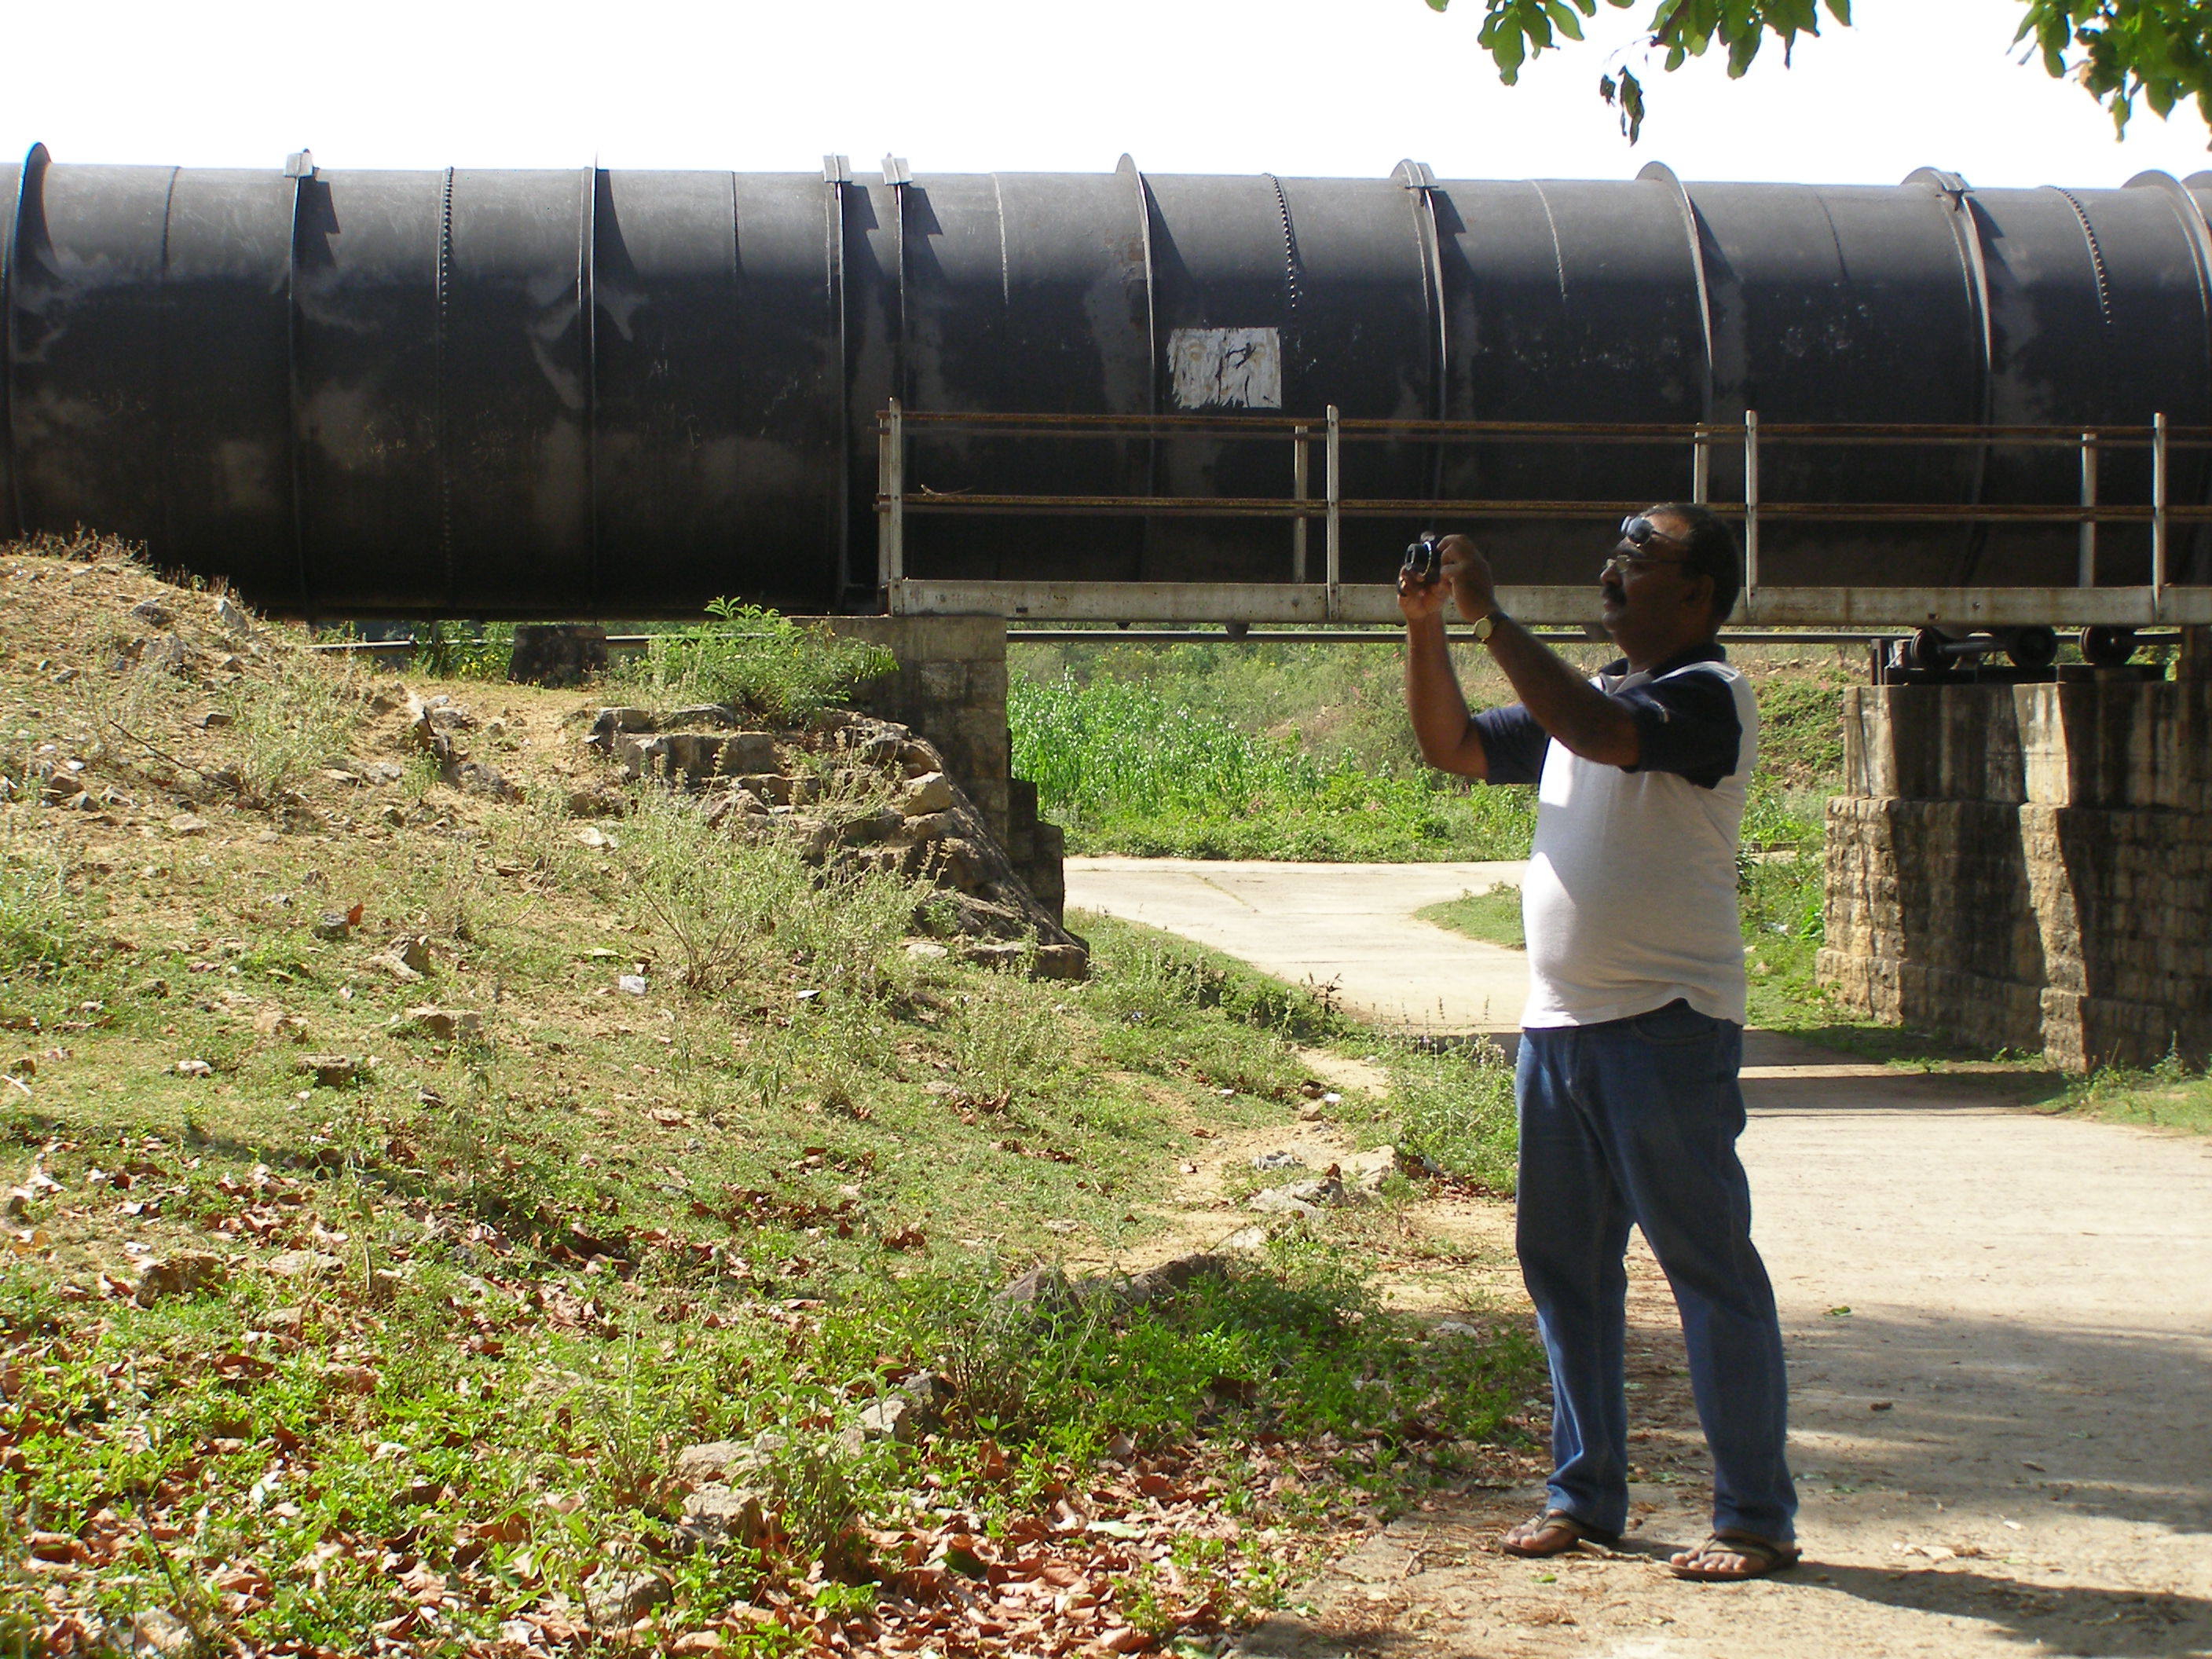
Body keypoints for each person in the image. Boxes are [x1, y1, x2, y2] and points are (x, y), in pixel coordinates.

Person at [1397, 507, 1798, 1583]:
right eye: (1617, 555)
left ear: (1700, 596)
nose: (1616, 571)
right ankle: (1587, 1496)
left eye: (1645, 560)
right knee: (1565, 1272)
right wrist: (1427, 626)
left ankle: (1755, 1515)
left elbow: (1603, 738)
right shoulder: (1595, 696)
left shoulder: (1707, 698)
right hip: (1558, 1031)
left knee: (1706, 1268)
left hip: (1667, 1024)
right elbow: (1453, 746)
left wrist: (1491, 622)